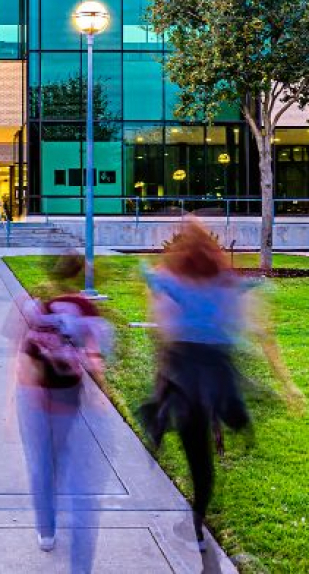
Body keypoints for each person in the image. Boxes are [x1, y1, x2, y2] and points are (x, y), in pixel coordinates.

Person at [139, 216, 302, 553]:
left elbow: (157, 287)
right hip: (217, 375)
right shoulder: (224, 283)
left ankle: (159, 415)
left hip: (182, 374)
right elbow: (243, 294)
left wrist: (148, 275)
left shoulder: (177, 283)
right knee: (205, 467)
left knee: (194, 446)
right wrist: (257, 287)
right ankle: (198, 518)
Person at [4, 253, 111, 561]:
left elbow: (18, 350)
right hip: (67, 392)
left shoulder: (30, 301)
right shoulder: (86, 308)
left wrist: (10, 399)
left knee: (38, 462)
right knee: (61, 455)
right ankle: (57, 509)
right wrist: (100, 391)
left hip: (32, 392)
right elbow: (94, 355)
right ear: (78, 277)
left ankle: (46, 530)